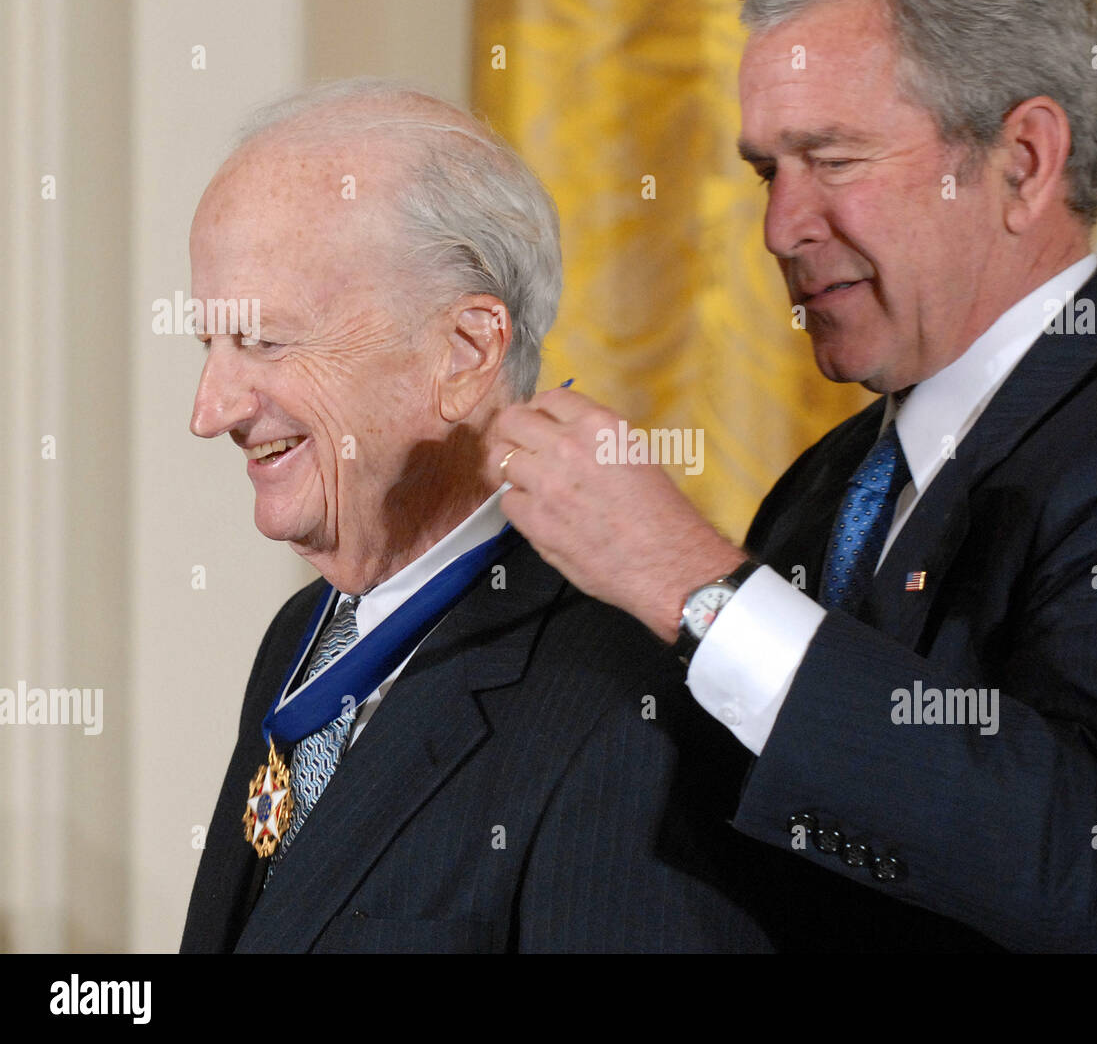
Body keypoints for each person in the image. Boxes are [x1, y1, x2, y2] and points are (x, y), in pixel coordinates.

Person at [496, 0, 1097, 952]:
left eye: (832, 161)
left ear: (1022, 162)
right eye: (764, 173)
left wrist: (688, 579)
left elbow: (1083, 854)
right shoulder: (831, 480)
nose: (780, 228)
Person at [178, 80, 803, 953]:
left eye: (266, 341)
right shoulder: (302, 638)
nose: (210, 410)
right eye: (208, 343)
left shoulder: (628, 702)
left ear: (465, 353)